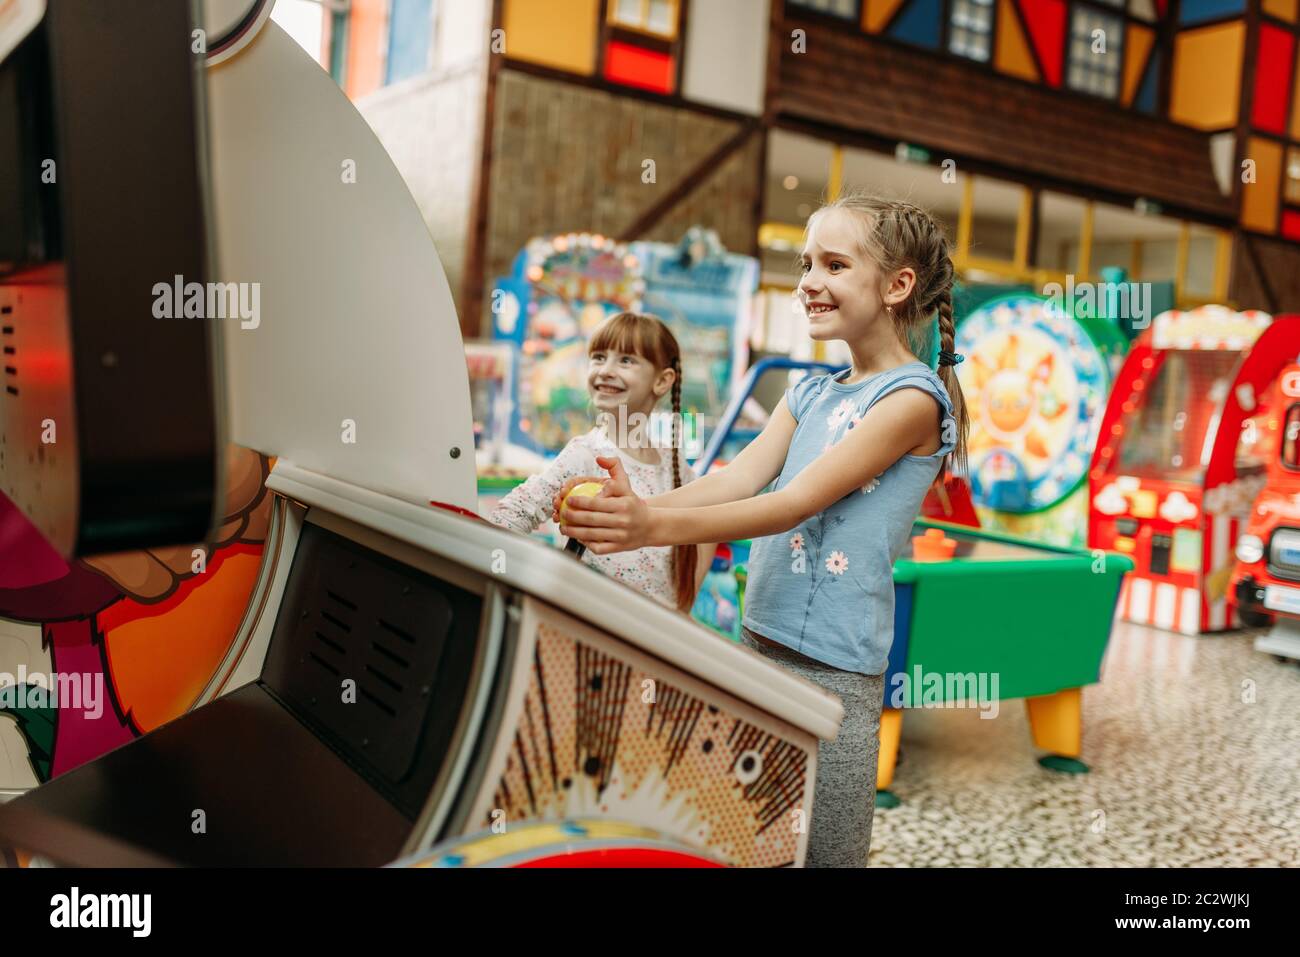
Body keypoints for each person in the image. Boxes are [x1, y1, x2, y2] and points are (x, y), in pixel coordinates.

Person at [555, 194, 969, 866]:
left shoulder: (914, 399)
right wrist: (639, 506)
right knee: (747, 837)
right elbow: (738, 480)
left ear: (898, 286)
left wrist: (650, 523)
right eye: (807, 263)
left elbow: (794, 501)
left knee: (824, 851)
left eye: (835, 264)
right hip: (758, 641)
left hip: (835, 670)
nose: (809, 279)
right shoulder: (809, 391)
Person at [489, 311, 713, 612]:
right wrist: (505, 579)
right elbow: (512, 516)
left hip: (653, 632)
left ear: (662, 381)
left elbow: (705, 531)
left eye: (626, 360)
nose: (606, 370)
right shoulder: (587, 454)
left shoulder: (673, 465)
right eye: (598, 357)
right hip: (590, 625)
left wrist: (681, 609)